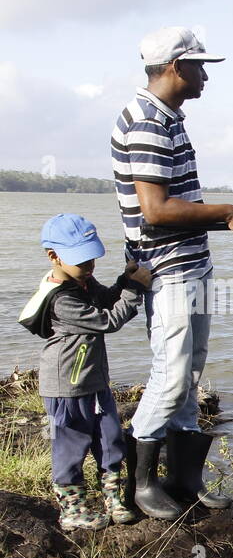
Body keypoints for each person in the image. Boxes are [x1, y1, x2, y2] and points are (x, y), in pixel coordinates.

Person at [110, 25, 233, 519]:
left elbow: (174, 203)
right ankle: (142, 482)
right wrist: (226, 212)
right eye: (199, 67)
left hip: (191, 264)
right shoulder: (148, 121)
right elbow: (155, 210)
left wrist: (220, 219)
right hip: (169, 270)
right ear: (174, 67)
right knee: (171, 373)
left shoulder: (169, 117)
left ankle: (185, 480)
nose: (205, 77)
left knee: (190, 371)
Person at [18, 214, 153, 531]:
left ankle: (113, 499)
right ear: (54, 256)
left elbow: (105, 298)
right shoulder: (61, 299)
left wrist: (123, 281)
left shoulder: (81, 282)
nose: (89, 265)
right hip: (67, 386)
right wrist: (135, 290)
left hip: (94, 382)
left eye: (92, 256)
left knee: (110, 439)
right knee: (71, 445)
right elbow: (109, 320)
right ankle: (73, 511)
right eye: (82, 260)